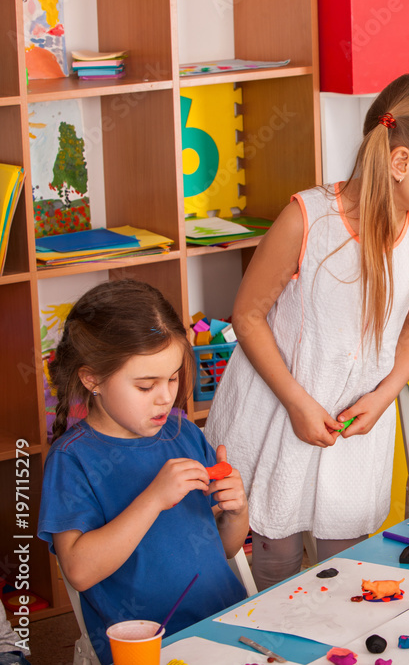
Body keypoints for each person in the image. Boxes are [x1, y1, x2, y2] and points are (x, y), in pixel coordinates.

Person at [205, 73, 409, 589]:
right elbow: (247, 315)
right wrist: (295, 401)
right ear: (401, 162)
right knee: (274, 558)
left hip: (356, 419)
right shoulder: (306, 218)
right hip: (276, 410)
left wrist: (385, 394)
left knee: (347, 566)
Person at [37, 280, 248, 665]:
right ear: (92, 379)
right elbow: (80, 571)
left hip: (227, 625)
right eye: (146, 385)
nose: (166, 396)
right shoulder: (73, 459)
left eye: (172, 378)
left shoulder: (183, 432)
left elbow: (224, 549)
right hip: (149, 648)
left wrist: (236, 512)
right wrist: (153, 499)